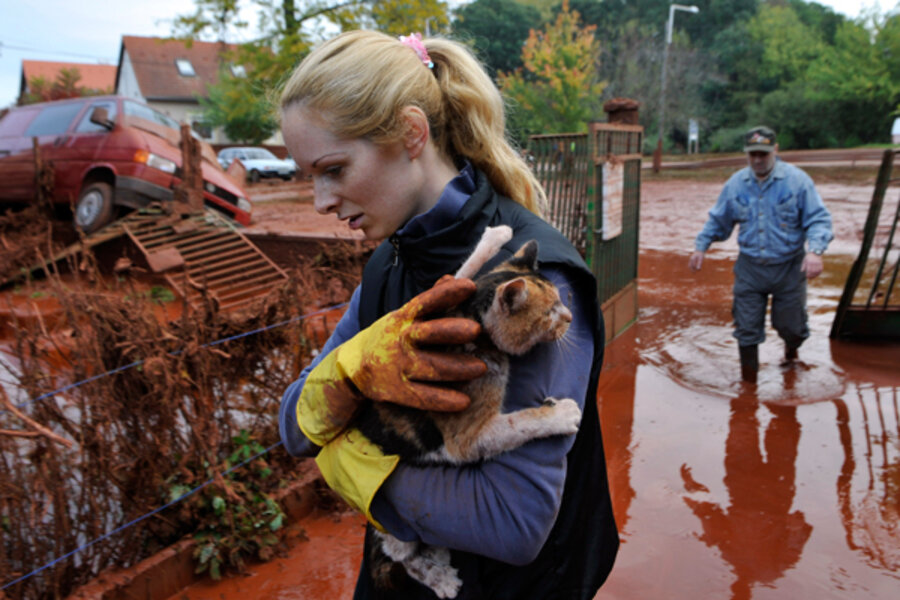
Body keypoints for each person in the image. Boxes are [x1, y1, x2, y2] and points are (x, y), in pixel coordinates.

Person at [277, 30, 618, 599]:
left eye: (333, 168)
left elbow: (514, 524)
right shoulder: (388, 262)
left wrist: (349, 464)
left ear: (411, 133)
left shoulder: (538, 282)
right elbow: (292, 426)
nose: (320, 201)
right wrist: (348, 375)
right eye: (309, 175)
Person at [688, 126, 833, 383]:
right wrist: (701, 246)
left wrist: (815, 252)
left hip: (789, 267)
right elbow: (718, 220)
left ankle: (791, 353)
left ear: (775, 150)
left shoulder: (797, 181)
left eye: (763, 154)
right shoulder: (736, 184)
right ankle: (748, 387)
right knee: (746, 330)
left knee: (792, 327)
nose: (757, 160)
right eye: (752, 154)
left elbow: (818, 219)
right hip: (750, 268)